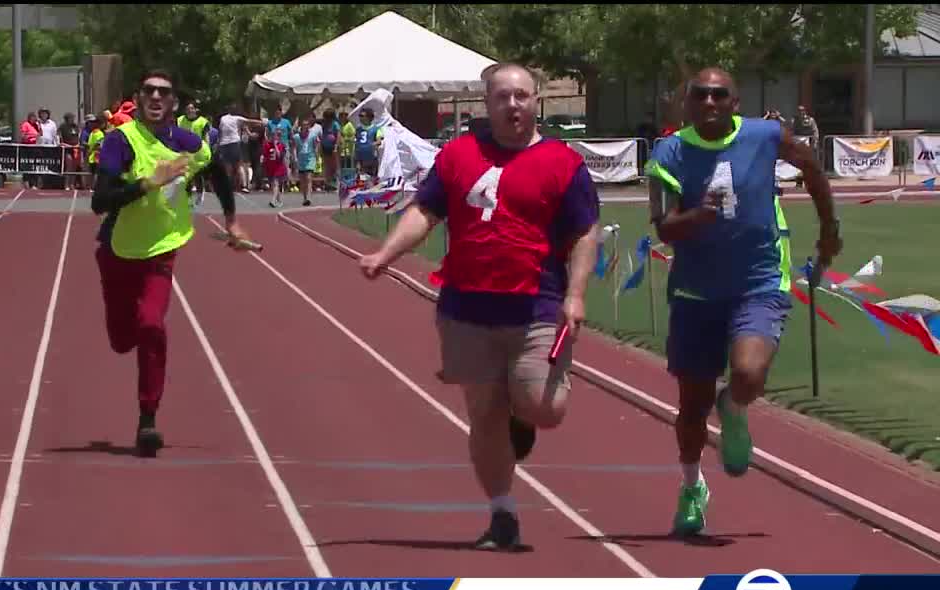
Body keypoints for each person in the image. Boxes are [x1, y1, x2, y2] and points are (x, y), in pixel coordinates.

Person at [359, 63, 600, 550]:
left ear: (537, 102)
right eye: (503, 97)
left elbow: (584, 230)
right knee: (484, 415)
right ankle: (502, 513)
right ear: (486, 103)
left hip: (537, 306)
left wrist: (575, 293)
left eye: (522, 97)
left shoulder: (562, 163)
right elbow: (425, 211)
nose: (513, 106)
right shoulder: (457, 156)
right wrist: (386, 254)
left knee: (544, 407)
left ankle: (523, 417)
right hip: (466, 310)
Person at [645, 67, 840, 536]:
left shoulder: (765, 135)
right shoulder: (669, 151)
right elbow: (665, 228)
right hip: (696, 290)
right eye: (700, 95)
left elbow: (811, 167)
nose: (709, 102)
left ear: (736, 102)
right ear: (687, 103)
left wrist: (829, 229)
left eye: (720, 94)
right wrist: (699, 215)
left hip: (760, 279)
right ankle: (692, 487)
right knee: (691, 406)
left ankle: (733, 407)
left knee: (749, 373)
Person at [91, 70, 253, 456]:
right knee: (121, 340)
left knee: (151, 324)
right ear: (138, 97)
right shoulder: (121, 141)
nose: (156, 97)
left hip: (162, 250)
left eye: (164, 92)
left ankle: (148, 420)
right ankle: (126, 334)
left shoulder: (187, 143)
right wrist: (149, 182)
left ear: (174, 103)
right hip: (117, 252)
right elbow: (100, 201)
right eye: (148, 90)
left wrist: (232, 221)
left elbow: (214, 170)